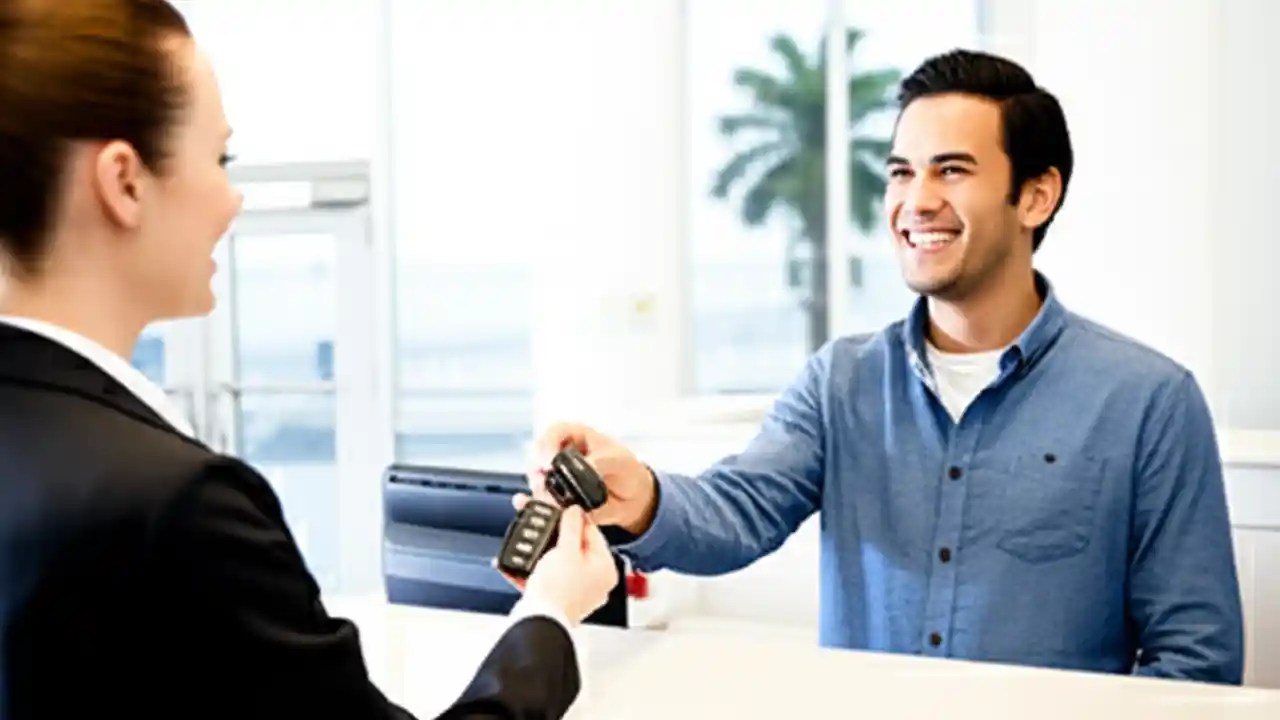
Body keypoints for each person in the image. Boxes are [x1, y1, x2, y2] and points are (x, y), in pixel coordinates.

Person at [529, 49, 1244, 684]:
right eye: (901, 172)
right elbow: (738, 511)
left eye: (952, 170)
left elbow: (1196, 657)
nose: (916, 200)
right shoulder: (841, 381)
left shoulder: (1150, 402)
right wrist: (641, 495)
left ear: (1035, 195)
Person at [0, 2, 616, 718]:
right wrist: (551, 614)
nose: (232, 200)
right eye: (220, 158)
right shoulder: (178, 506)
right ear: (125, 182)